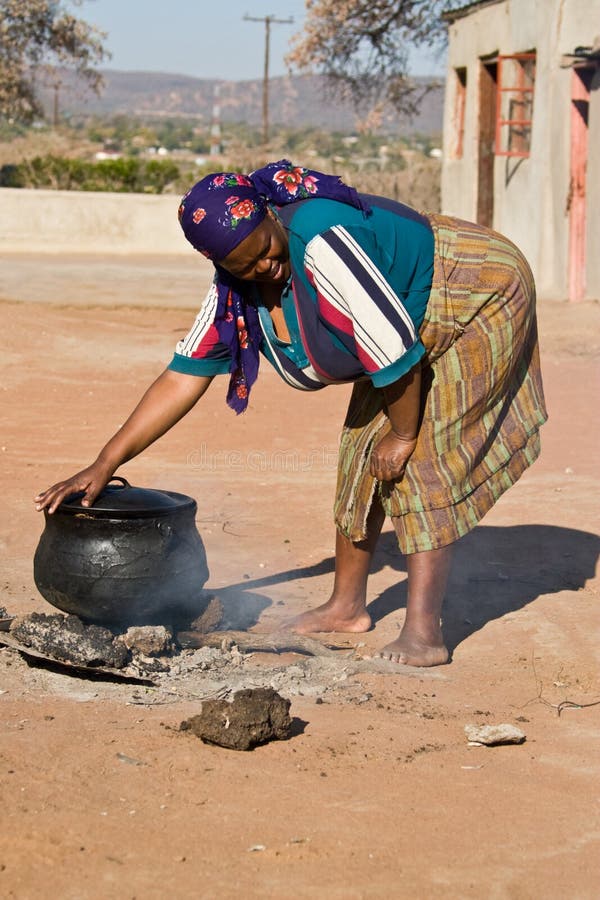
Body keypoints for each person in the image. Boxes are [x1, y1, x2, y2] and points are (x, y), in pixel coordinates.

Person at [34, 159, 547, 667]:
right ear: (221, 264)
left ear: (271, 215)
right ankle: (346, 608)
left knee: (421, 460)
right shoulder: (233, 294)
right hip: (406, 322)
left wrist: (406, 434)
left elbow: (394, 354)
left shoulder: (321, 243)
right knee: (361, 458)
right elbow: (181, 377)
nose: (264, 266)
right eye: (244, 263)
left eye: (265, 246)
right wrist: (105, 464)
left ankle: (424, 633)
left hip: (476, 288)